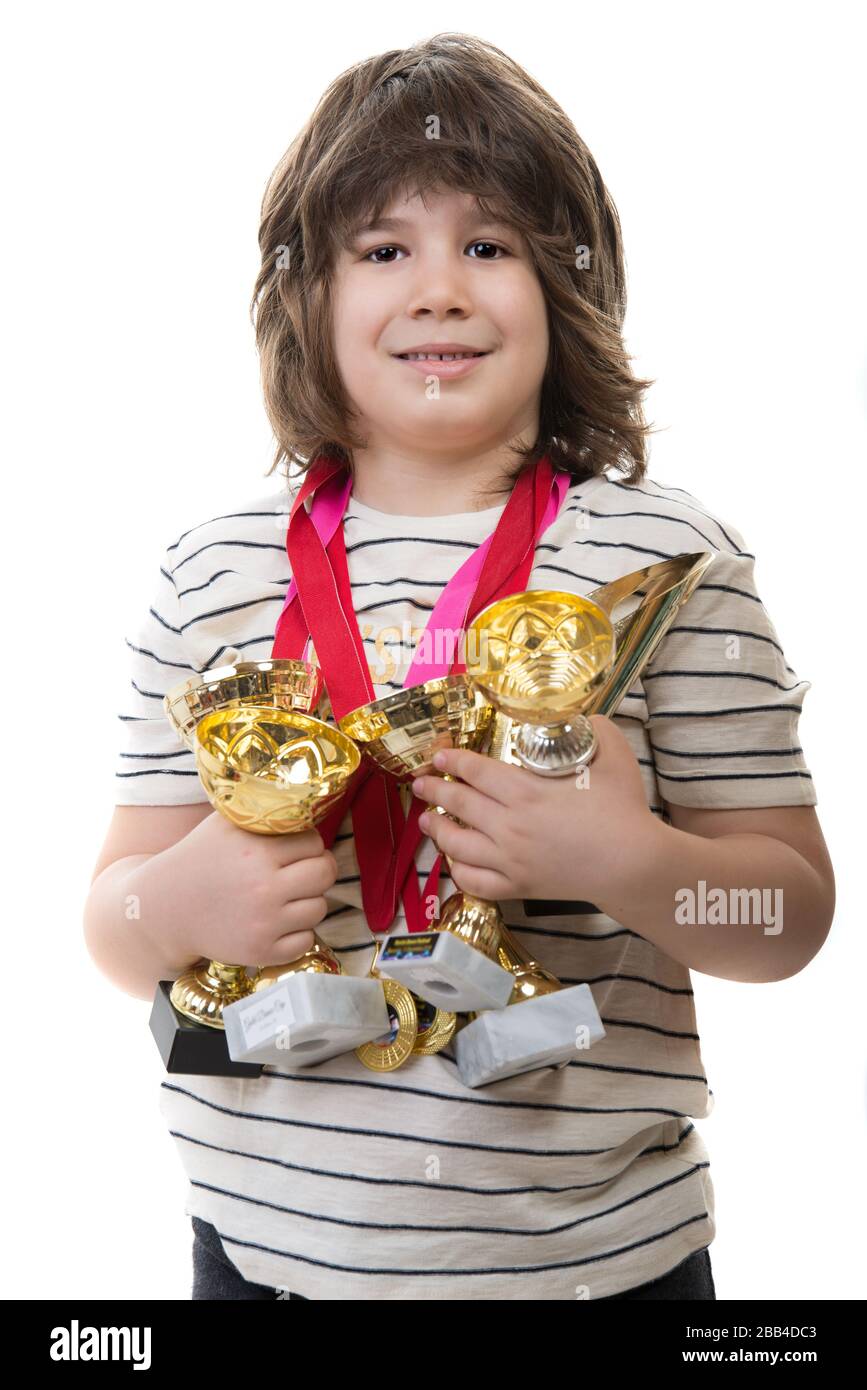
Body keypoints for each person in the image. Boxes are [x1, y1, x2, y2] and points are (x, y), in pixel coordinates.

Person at [83, 32, 835, 1301]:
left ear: (567, 291)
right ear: (305, 299)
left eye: (488, 246)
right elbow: (112, 924)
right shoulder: (210, 571)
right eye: (383, 250)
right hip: (266, 1262)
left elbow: (785, 919)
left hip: (603, 1266)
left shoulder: (668, 557)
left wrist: (627, 862)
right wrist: (187, 900)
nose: (438, 290)